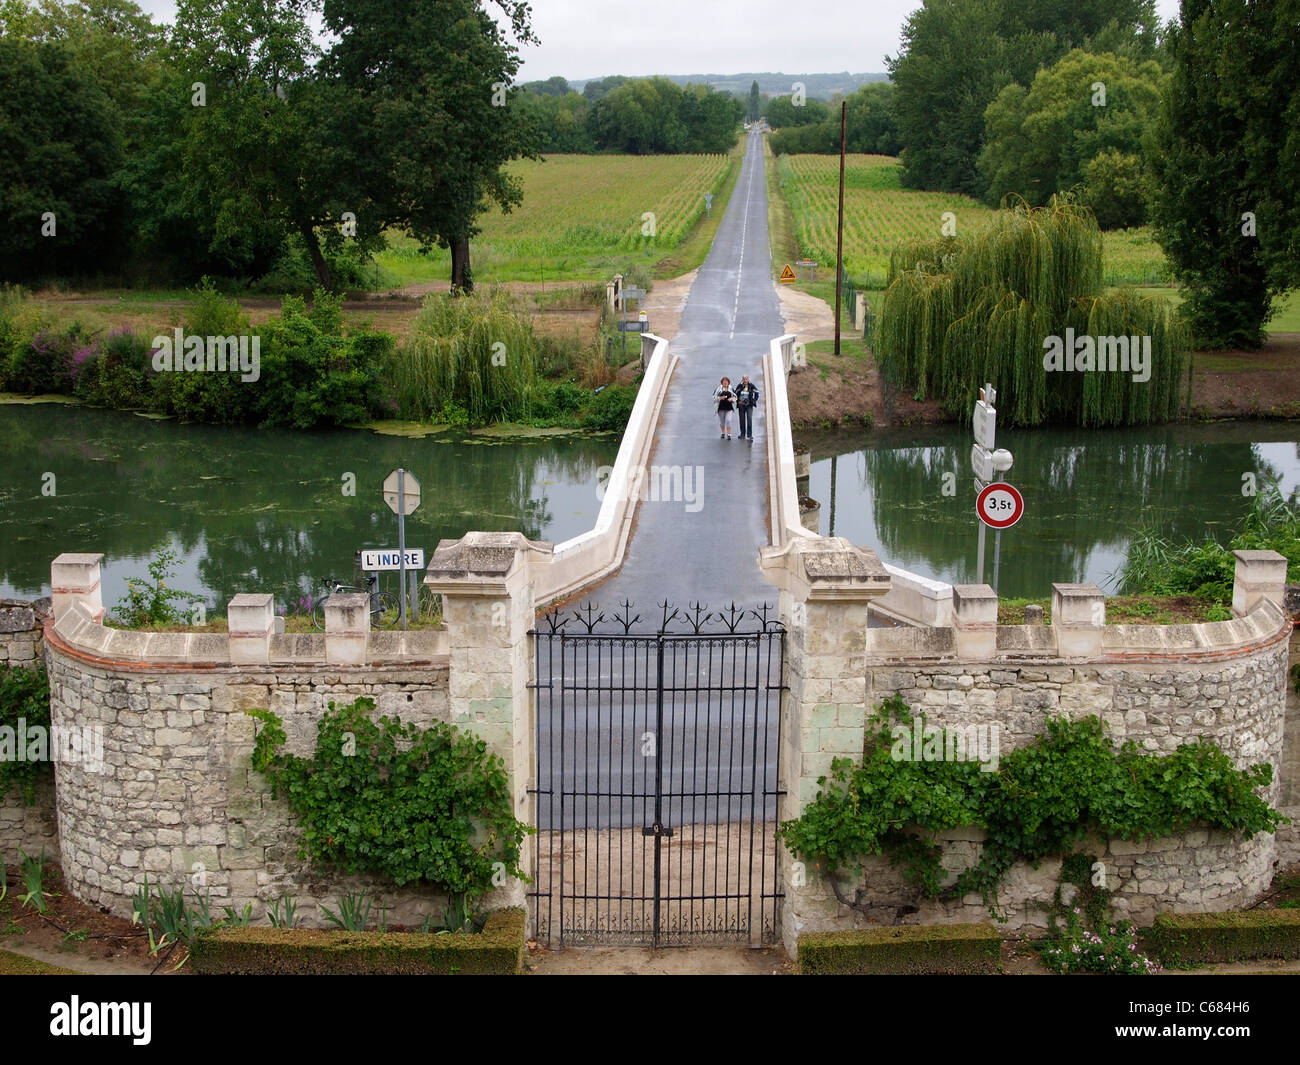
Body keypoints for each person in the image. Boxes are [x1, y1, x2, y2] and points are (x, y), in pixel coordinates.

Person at [734, 374, 760, 440]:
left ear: (748, 379)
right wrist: (738, 401)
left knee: (749, 419)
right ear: (742, 379)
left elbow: (757, 392)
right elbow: (735, 394)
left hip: (749, 405)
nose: (745, 380)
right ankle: (742, 434)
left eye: (746, 379)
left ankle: (749, 435)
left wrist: (754, 400)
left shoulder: (751, 386)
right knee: (742, 420)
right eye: (744, 379)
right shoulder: (739, 386)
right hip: (741, 405)